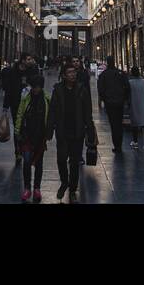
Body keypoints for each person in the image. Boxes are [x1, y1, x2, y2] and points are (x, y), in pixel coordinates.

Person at [48, 61, 96, 203]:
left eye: (74, 72)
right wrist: (49, 130)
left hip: (78, 131)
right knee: (61, 159)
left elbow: (88, 111)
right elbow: (52, 111)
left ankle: (73, 189)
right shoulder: (57, 90)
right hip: (62, 131)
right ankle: (64, 181)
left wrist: (90, 129)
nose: (73, 74)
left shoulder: (82, 89)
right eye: (70, 72)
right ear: (63, 75)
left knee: (74, 162)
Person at [16, 73, 50, 203]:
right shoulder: (26, 98)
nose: (35, 89)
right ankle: (27, 188)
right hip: (27, 135)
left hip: (40, 136)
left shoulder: (47, 99)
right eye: (33, 87)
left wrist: (49, 131)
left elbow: (50, 116)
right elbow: (20, 113)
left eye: (37, 87)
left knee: (39, 163)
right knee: (27, 162)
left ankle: (37, 188)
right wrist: (17, 131)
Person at [96, 55, 129, 154]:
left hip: (110, 103)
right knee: (119, 123)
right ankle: (119, 144)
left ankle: (116, 145)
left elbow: (100, 89)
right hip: (119, 103)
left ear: (107, 62)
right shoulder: (121, 73)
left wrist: (104, 99)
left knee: (113, 124)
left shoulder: (104, 75)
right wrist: (124, 99)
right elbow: (127, 87)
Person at [126, 65, 144, 152]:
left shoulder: (130, 82)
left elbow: (128, 94)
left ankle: (135, 141)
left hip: (134, 105)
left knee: (135, 124)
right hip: (143, 104)